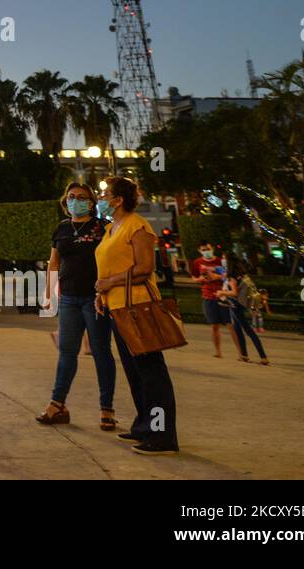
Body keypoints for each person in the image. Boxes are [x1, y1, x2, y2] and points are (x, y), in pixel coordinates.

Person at [94, 176, 179, 455]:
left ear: (118, 200)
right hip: (118, 308)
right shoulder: (111, 228)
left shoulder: (137, 225)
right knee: (135, 372)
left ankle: (162, 436)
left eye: (105, 193)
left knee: (151, 372)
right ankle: (144, 426)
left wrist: (110, 282)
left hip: (138, 307)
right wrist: (102, 294)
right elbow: (110, 266)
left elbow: (144, 267)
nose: (101, 197)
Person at [35, 182, 116, 431]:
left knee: (101, 352)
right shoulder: (61, 228)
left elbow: (112, 259)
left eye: (82, 197)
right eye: (71, 197)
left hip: (96, 299)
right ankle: (57, 404)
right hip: (69, 299)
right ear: (65, 201)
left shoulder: (103, 227)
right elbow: (53, 263)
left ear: (91, 202)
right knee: (66, 353)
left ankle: (107, 409)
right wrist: (48, 293)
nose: (76, 200)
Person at [190, 240, 236, 358]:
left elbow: (229, 277)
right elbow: (193, 278)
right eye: (203, 250)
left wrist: (218, 276)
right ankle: (218, 352)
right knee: (214, 326)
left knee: (230, 325)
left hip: (223, 295)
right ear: (199, 251)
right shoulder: (197, 262)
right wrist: (201, 279)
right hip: (208, 296)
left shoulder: (220, 261)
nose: (206, 252)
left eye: (208, 249)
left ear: (213, 249)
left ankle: (241, 352)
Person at [222, 256, 269, 365]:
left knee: (248, 331)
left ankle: (263, 356)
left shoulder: (231, 276)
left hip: (235, 305)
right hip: (240, 304)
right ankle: (244, 355)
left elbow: (234, 293)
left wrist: (222, 293)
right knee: (237, 329)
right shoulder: (242, 274)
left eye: (224, 259)